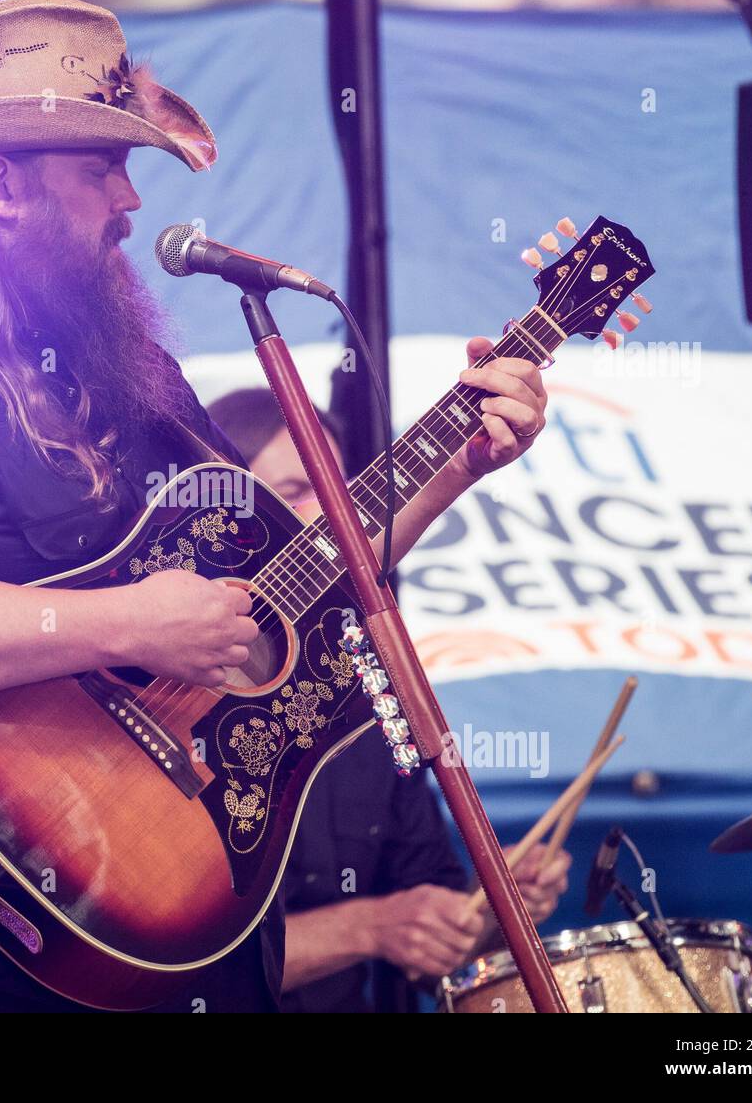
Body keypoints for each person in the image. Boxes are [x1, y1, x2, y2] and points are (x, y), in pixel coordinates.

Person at [0, 0, 550, 1013]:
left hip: (185, 950)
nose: (131, 200)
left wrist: (455, 465)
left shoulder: (131, 379)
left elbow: (283, 583)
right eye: (100, 167)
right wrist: (127, 622)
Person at [207, 389, 570, 1013]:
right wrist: (370, 927)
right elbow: (170, 964)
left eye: (336, 496)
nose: (324, 517)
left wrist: (488, 908)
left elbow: (438, 942)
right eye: (294, 491)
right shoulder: (170, 693)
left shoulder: (366, 698)